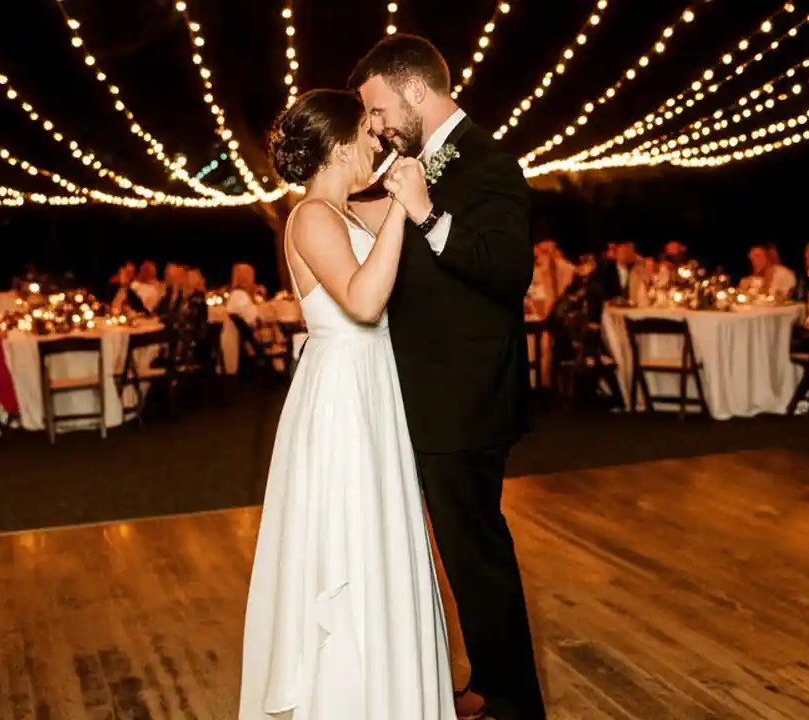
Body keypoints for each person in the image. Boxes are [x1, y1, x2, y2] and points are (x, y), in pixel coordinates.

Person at [240, 89, 454, 719]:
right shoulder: (310, 217)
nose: (376, 141)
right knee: (348, 538)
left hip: (373, 384)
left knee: (382, 534)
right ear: (336, 144)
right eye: (366, 130)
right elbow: (362, 303)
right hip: (340, 393)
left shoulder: (348, 213)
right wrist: (398, 209)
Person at [352, 34, 541, 720]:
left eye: (377, 107)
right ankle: (493, 684)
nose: (375, 124)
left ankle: (513, 703)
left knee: (477, 556)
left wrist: (428, 212)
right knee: (466, 557)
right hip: (435, 396)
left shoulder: (490, 161)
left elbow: (506, 270)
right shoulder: (425, 160)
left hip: (466, 399)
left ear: (416, 90)